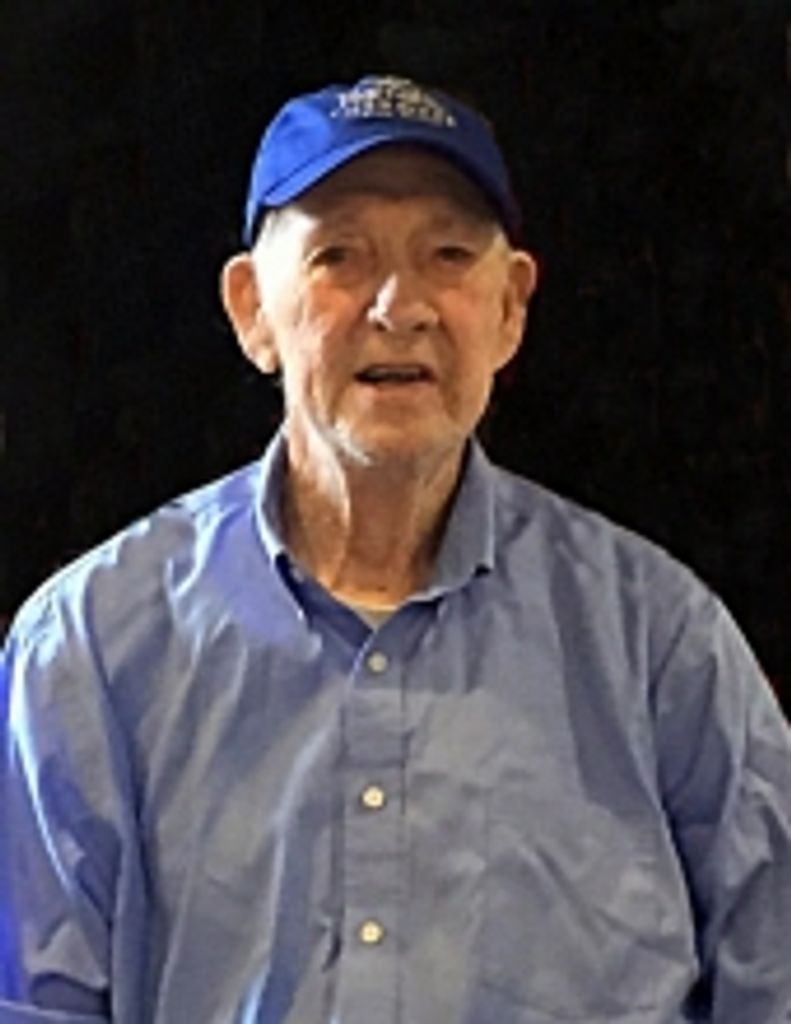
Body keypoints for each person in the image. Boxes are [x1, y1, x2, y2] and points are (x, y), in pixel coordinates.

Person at [1, 74, 790, 1024]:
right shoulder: (89, 647)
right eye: (340, 256)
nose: (399, 306)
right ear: (252, 311)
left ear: (510, 308)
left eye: (447, 255)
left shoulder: (660, 641)